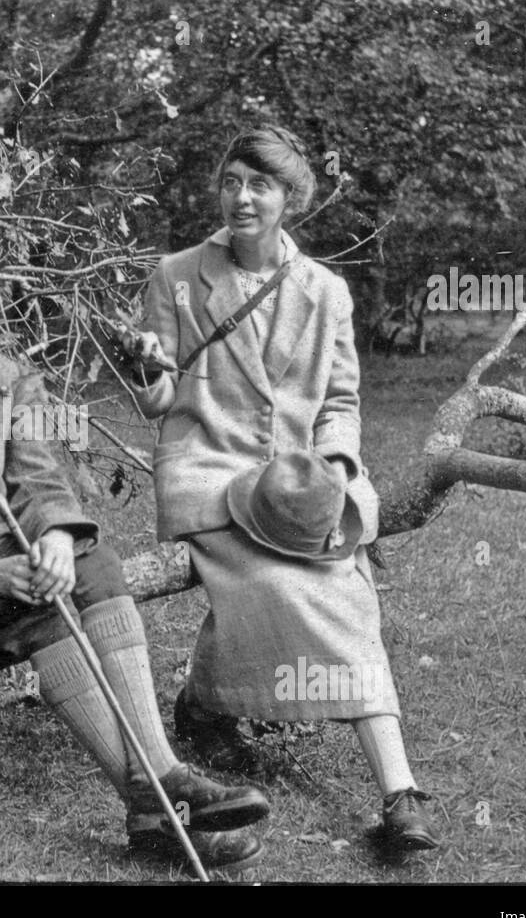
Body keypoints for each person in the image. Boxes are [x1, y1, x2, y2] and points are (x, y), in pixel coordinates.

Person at [0, 194, 271, 874]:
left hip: (3, 590)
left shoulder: (7, 376)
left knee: (90, 563)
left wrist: (56, 536)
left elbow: (38, 481)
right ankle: (159, 787)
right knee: (44, 604)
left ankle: (155, 794)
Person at [121, 126, 440, 852]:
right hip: (212, 474)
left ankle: (398, 796)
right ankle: (393, 789)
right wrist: (145, 370)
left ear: (290, 198)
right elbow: (158, 402)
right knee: (285, 589)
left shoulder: (326, 290)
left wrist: (335, 467)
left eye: (259, 185)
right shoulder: (175, 275)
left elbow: (341, 401)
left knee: (349, 589)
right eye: (231, 181)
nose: (241, 197)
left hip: (297, 485)